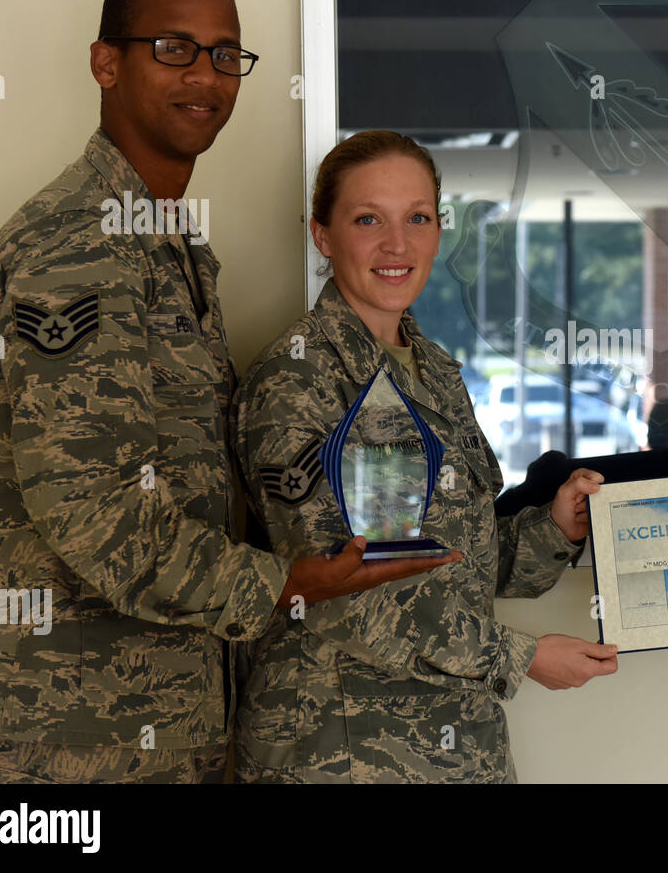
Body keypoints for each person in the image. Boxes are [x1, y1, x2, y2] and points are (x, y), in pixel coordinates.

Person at [0, 0, 448, 784]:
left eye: (225, 54)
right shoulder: (76, 245)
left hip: (153, 717)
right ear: (107, 62)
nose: (206, 75)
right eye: (174, 47)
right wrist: (282, 584)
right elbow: (92, 511)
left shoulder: (167, 244)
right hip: (60, 737)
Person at [235, 130, 618, 783]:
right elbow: (339, 591)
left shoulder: (432, 369)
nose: (397, 245)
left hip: (456, 745)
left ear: (441, 231)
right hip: (340, 746)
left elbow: (452, 564)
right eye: (367, 220)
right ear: (322, 236)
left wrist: (554, 528)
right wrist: (518, 656)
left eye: (417, 218)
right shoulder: (298, 379)